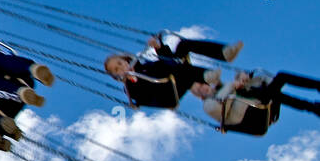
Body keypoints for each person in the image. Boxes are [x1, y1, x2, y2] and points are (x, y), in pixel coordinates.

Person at [104, 33, 243, 109]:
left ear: (125, 60)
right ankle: (205, 76)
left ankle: (224, 53)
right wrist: (131, 79)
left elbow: (168, 62)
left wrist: (158, 48)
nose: (121, 68)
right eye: (117, 70)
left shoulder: (143, 65)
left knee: (183, 45)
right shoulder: (130, 87)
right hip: (167, 93)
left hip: (176, 76)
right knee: (172, 69)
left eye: (120, 63)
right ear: (117, 76)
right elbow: (141, 97)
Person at [192, 69, 320, 134]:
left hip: (258, 103)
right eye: (199, 89)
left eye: (202, 84)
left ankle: (314, 102)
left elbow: (234, 91)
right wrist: (233, 86)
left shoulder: (220, 89)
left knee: (279, 79)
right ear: (201, 96)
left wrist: (243, 78)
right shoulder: (208, 105)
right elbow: (223, 107)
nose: (204, 87)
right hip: (253, 116)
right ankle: (313, 107)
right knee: (268, 91)